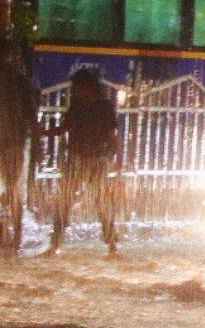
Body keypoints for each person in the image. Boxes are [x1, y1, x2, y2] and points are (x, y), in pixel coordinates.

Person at [44, 68, 122, 255]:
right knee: (66, 202)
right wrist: (45, 133)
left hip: (94, 160)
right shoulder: (79, 104)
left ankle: (112, 244)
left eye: (77, 87)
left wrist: (119, 158)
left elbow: (111, 135)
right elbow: (66, 127)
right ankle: (55, 244)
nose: (74, 91)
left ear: (86, 87)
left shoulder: (103, 106)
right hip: (79, 158)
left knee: (100, 203)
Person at [0, 36, 39, 257]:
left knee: (13, 190)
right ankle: (15, 237)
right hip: (13, 144)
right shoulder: (20, 81)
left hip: (12, 143)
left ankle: (14, 236)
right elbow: (31, 118)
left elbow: (30, 118)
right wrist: (37, 145)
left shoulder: (18, 82)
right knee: (14, 190)